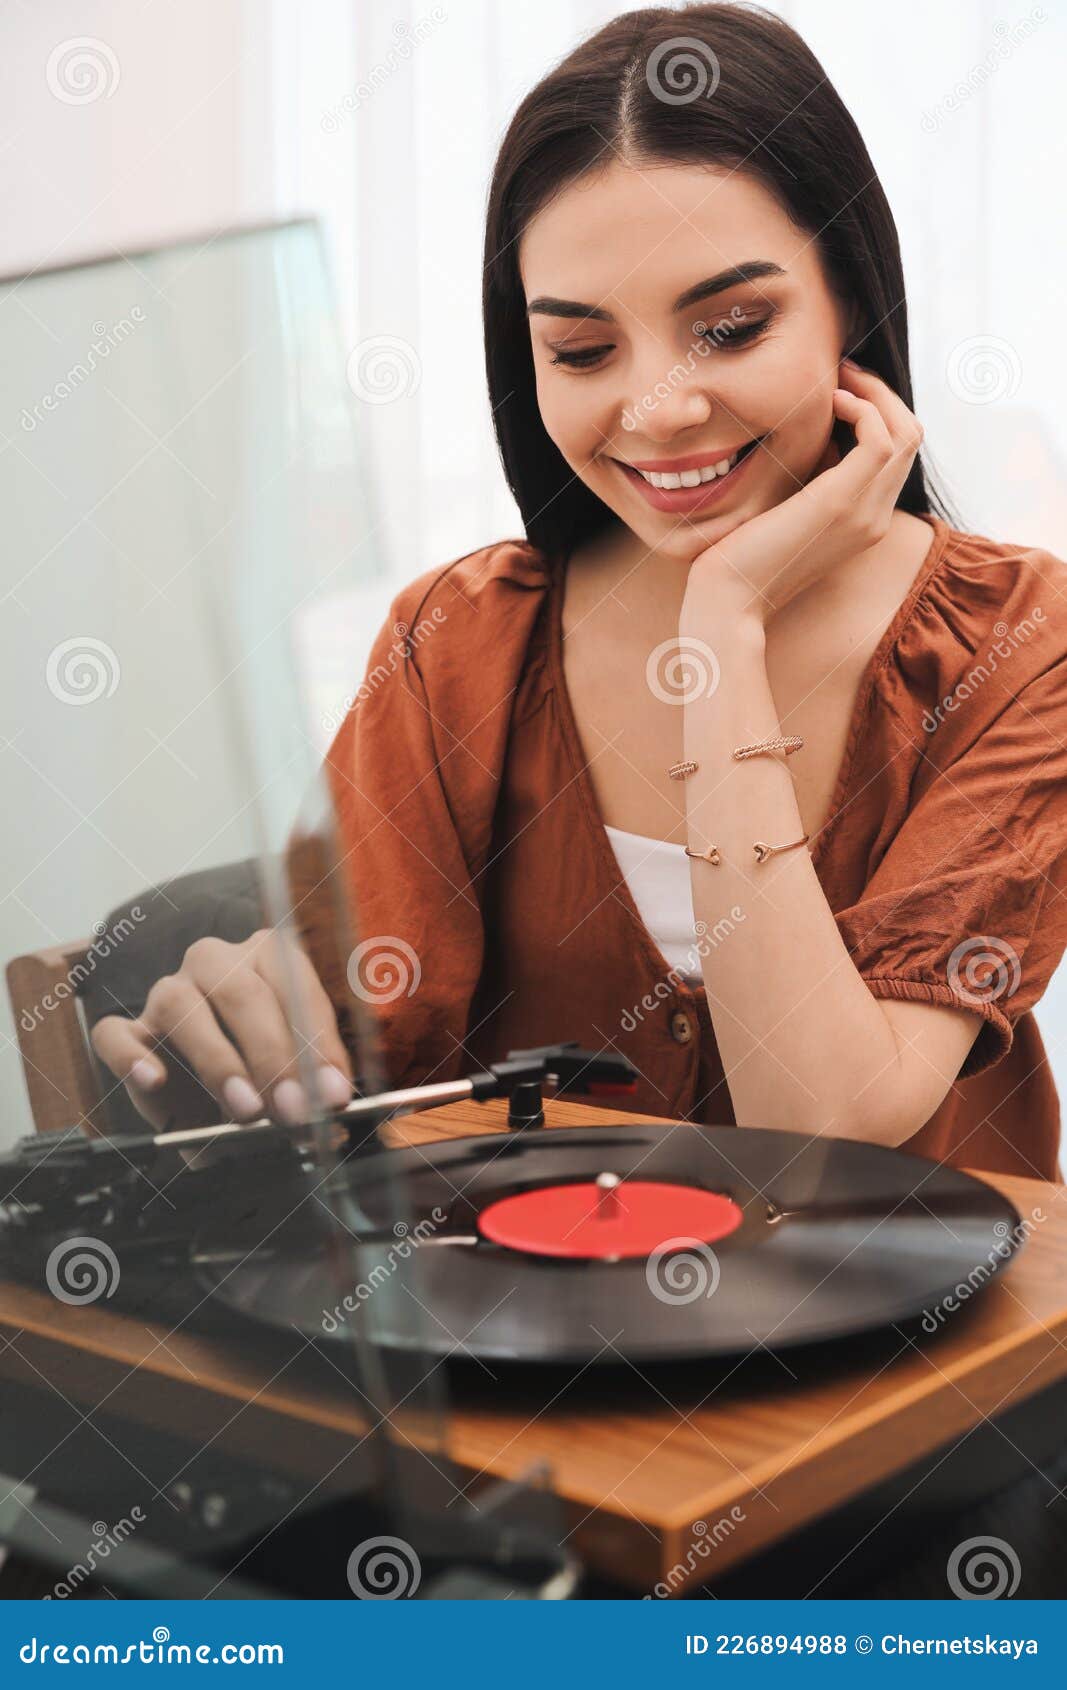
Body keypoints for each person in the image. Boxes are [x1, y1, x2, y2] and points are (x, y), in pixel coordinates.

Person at [90, 3, 1067, 1180]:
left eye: (730, 326)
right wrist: (243, 1022)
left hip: (918, 1359)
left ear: (848, 298)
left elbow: (818, 1121)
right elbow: (353, 1050)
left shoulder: (1019, 642)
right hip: (530, 1349)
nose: (655, 410)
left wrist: (722, 625)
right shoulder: (453, 640)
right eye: (582, 351)